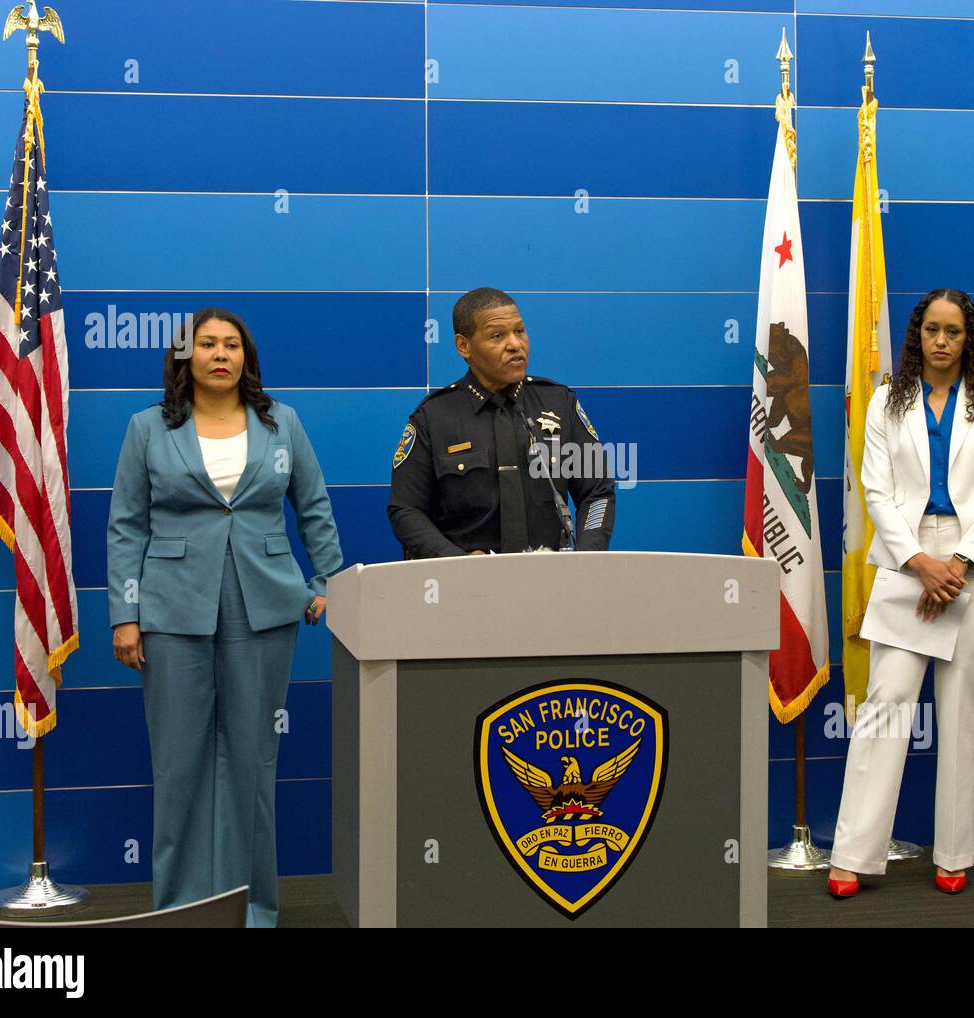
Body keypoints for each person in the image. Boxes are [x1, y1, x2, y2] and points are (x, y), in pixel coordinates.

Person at [107, 309, 342, 928]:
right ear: (186, 357)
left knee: (252, 761)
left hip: (263, 607)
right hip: (170, 609)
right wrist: (124, 615)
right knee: (178, 764)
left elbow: (313, 505)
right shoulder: (147, 428)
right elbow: (127, 526)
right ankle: (180, 910)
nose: (220, 354)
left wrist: (326, 582)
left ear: (246, 356)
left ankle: (253, 908)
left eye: (231, 344)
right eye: (206, 344)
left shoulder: (282, 422)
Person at [827, 288, 974, 897]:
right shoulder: (890, 399)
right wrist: (920, 562)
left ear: (970, 339)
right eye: (932, 330)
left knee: (962, 700)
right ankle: (854, 854)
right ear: (918, 335)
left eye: (954, 331)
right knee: (886, 699)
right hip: (906, 559)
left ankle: (954, 853)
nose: (942, 341)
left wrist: (958, 564)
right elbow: (876, 491)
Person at [388, 287, 615, 556]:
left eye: (519, 331)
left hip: (552, 580)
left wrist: (587, 555)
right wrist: (454, 562)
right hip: (467, 585)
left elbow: (597, 492)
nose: (515, 344)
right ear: (464, 346)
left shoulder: (559, 404)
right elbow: (406, 510)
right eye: (498, 336)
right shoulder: (433, 417)